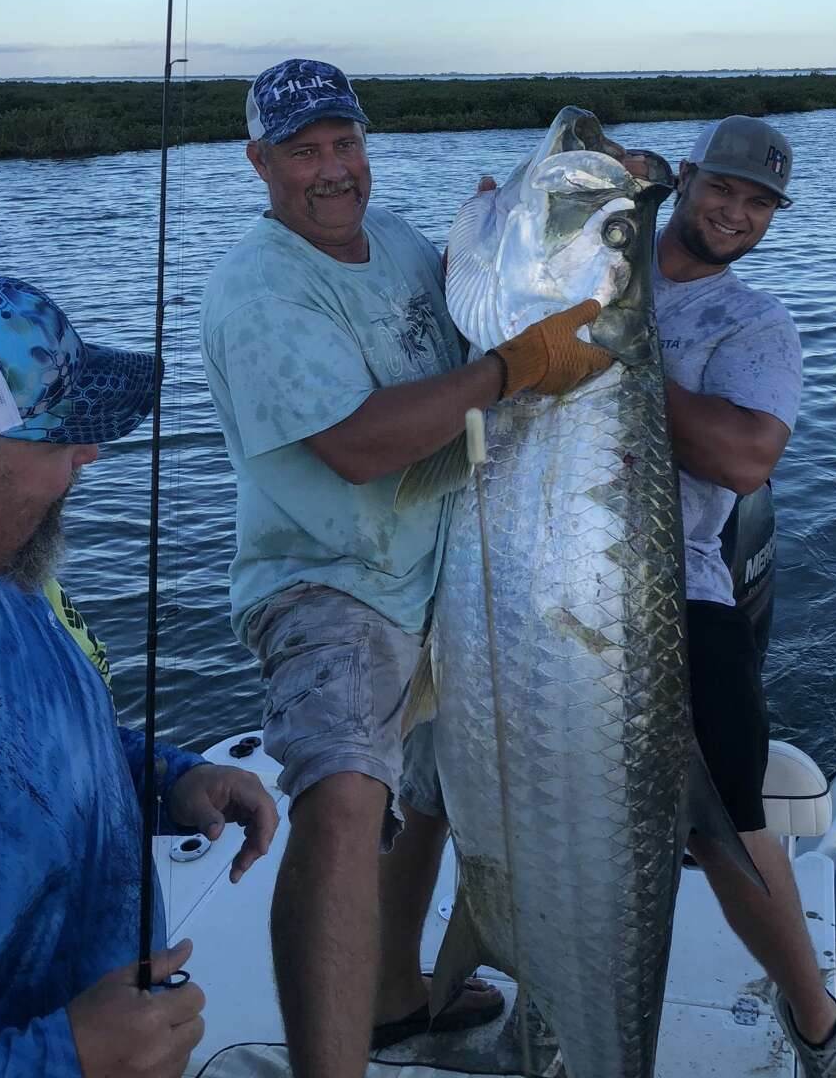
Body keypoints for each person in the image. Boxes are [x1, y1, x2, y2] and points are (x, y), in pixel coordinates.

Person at [198, 60, 612, 1078]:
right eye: (304, 151)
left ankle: (391, 990)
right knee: (345, 796)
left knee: (434, 789)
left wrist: (505, 230)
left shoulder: (395, 244)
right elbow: (357, 444)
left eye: (346, 144)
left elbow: (482, 304)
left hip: (448, 570)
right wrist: (516, 367)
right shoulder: (259, 288)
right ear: (260, 162)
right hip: (333, 580)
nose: (333, 170)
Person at [0, 276, 278, 1078]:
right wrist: (68, 1057)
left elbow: (44, 739)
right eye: (61, 436)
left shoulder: (12, 591)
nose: (91, 454)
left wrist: (169, 780)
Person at [653, 115, 836, 1077]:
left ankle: (818, 1021)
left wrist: (611, 358)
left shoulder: (756, 325)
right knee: (472, 790)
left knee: (730, 815)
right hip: (533, 579)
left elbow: (745, 460)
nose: (736, 213)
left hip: (679, 585)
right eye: (722, 189)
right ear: (686, 179)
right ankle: (422, 995)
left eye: (759, 202)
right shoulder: (595, 258)